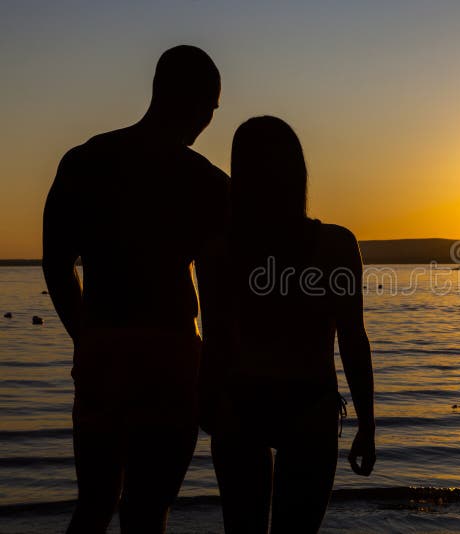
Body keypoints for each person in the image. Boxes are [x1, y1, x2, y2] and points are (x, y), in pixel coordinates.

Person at [42, 45, 229, 533]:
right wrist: (214, 369)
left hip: (104, 346)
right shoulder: (207, 182)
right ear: (193, 100)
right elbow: (219, 290)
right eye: (210, 108)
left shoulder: (84, 161)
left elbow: (56, 265)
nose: (208, 121)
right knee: (148, 509)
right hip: (172, 352)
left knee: (95, 503)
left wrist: (85, 335)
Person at [200, 116, 376, 533]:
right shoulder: (336, 245)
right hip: (309, 404)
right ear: (298, 171)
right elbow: (353, 339)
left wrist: (205, 405)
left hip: (241, 403)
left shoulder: (218, 250)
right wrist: (367, 425)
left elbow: (215, 341)